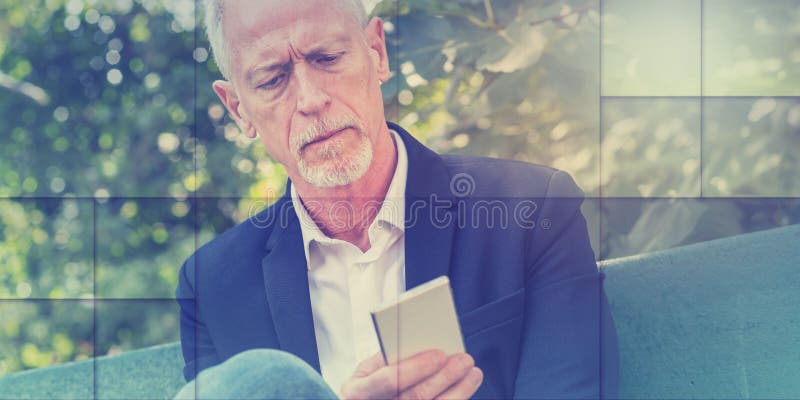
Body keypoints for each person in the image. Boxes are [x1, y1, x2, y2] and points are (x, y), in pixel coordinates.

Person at [174, 0, 618, 399]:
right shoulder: (211, 287)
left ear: (377, 53)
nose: (311, 99)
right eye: (273, 79)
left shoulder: (532, 211)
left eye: (327, 58)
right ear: (238, 109)